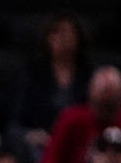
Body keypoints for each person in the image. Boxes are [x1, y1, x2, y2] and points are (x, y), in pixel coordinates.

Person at [14, 14, 92, 150]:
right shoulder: (32, 74)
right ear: (47, 38)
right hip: (42, 142)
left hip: (80, 142)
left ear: (78, 38)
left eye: (68, 32)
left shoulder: (90, 74)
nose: (63, 37)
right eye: (56, 32)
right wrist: (33, 135)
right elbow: (17, 121)